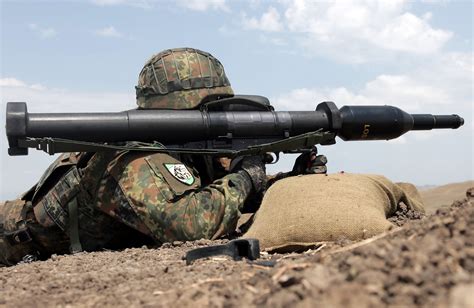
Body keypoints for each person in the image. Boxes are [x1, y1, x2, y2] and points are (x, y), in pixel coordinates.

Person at [0, 48, 327, 266]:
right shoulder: (135, 158)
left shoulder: (185, 148)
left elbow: (213, 194)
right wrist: (246, 175)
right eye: (209, 110)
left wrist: (285, 181)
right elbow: (191, 223)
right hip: (11, 242)